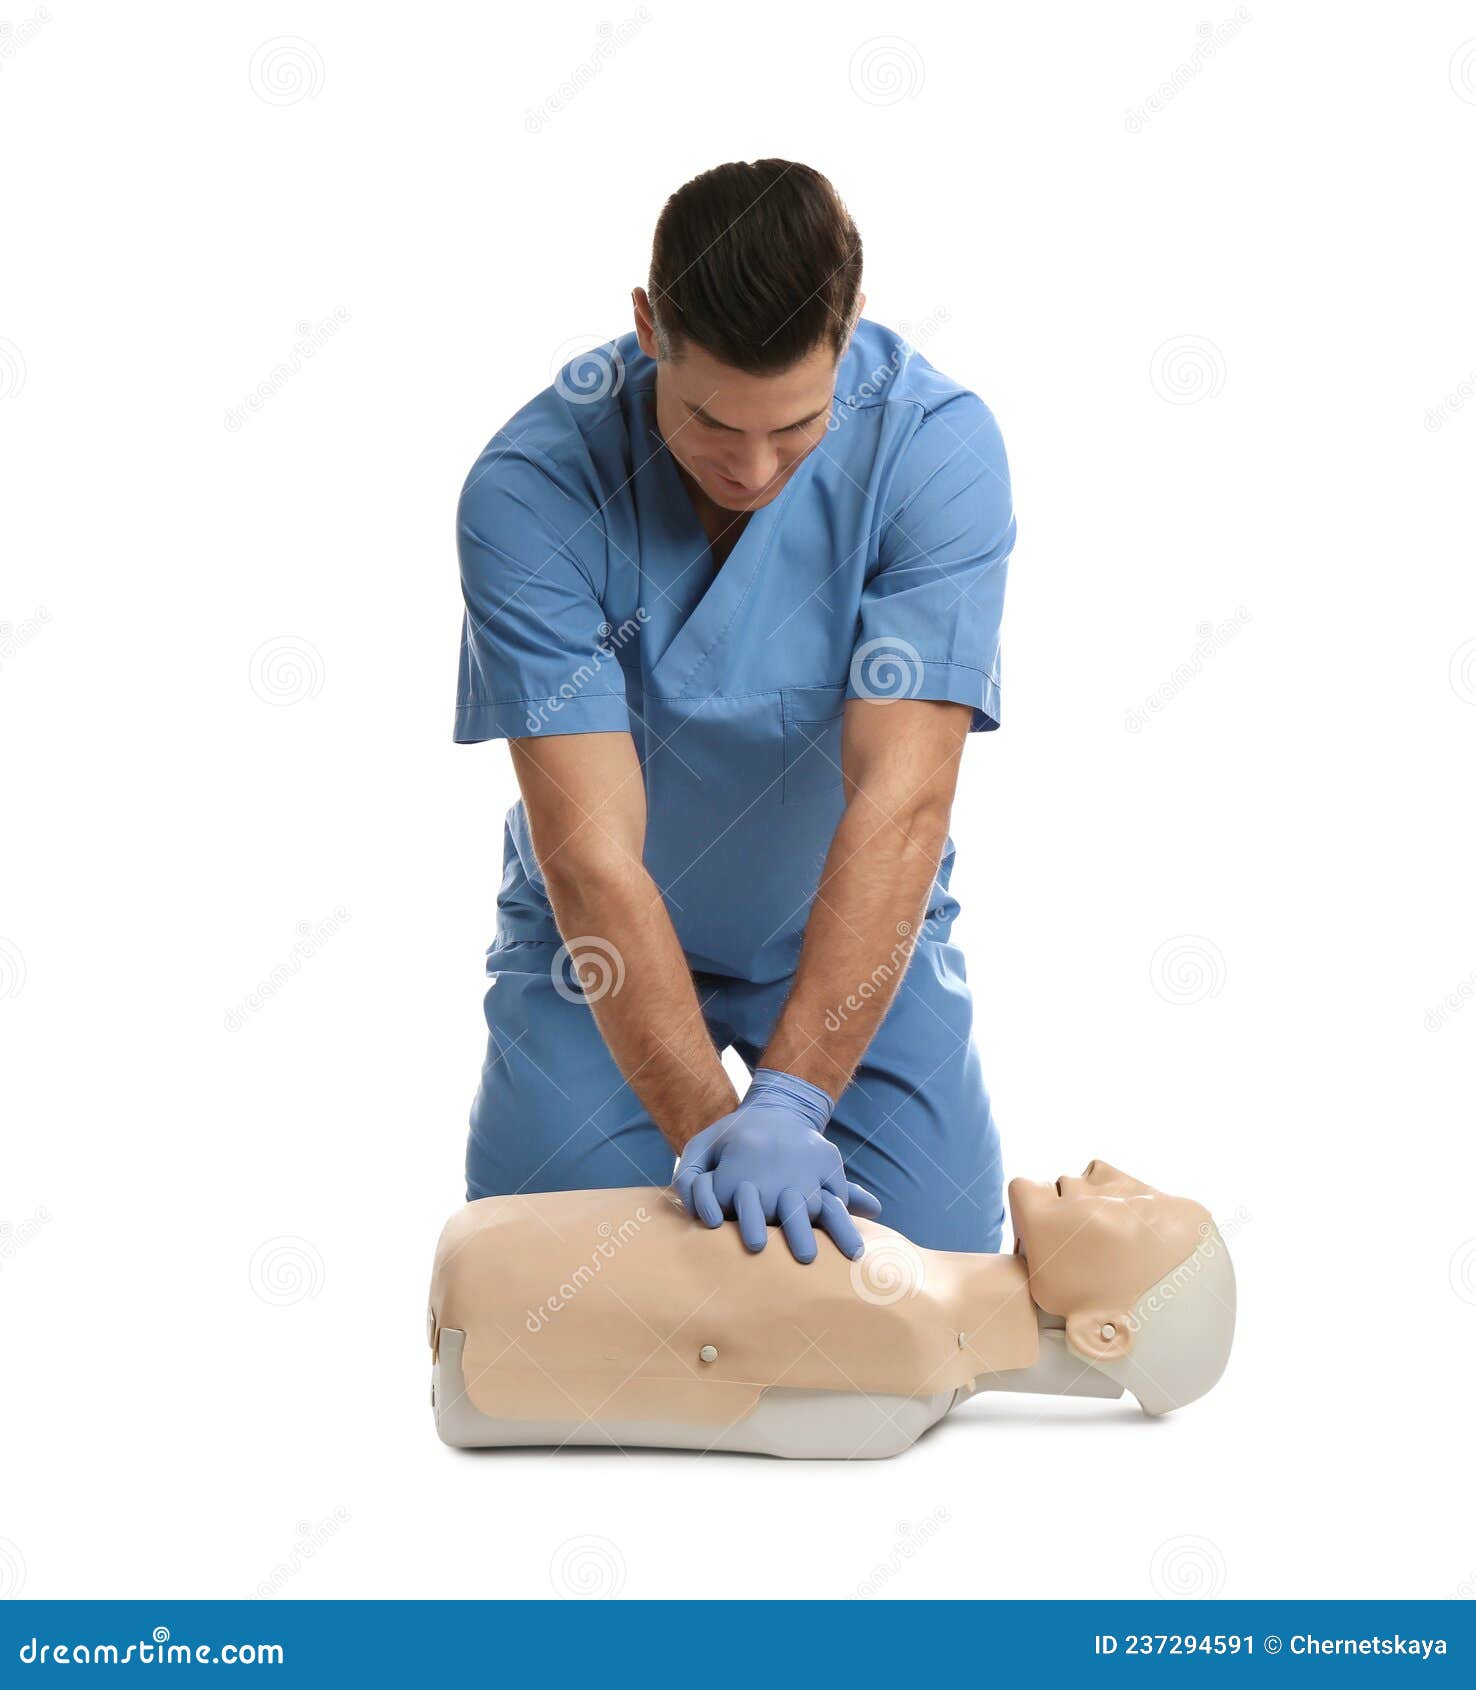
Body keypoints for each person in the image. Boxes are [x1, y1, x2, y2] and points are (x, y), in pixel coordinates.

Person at [455, 159, 1015, 1260]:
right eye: (712, 421)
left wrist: (795, 1101)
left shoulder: (935, 453)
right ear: (648, 325)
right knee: (537, 1283)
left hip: (846, 925)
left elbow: (904, 802)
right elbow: (593, 860)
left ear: (849, 331)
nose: (752, 467)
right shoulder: (529, 489)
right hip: (600, 947)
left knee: (941, 1264)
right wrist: (720, 1142)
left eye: (795, 426)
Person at [427, 1162, 1238, 1458]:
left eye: (1138, 1209)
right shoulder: (910, 1302)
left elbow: (706, 1368)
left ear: (1103, 1332)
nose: (1108, 1168)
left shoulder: (909, 1345)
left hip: (488, 1317)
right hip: (485, 1286)